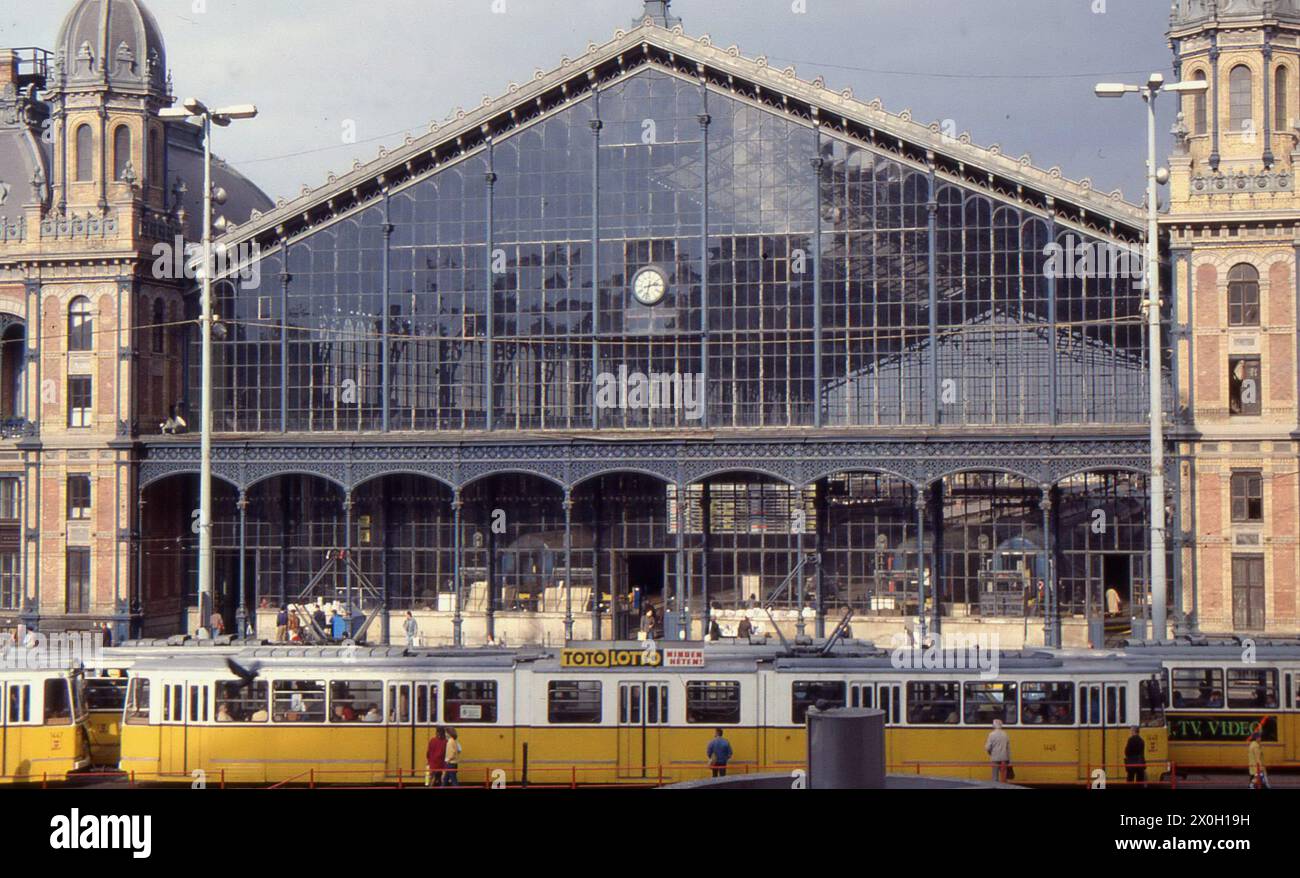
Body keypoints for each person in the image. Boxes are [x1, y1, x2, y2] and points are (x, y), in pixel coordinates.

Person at [985, 719, 1011, 783]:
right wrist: (1008, 758)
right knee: (1004, 777)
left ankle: (995, 786)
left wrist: (990, 753)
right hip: (1004, 758)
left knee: (995, 777)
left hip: (995, 757)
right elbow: (1008, 748)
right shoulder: (1005, 734)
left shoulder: (991, 734)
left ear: (994, 725)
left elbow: (987, 747)